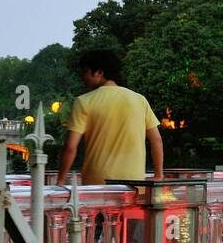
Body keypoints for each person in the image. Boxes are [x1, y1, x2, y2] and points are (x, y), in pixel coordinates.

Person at [57, 50, 163, 184]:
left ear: (99, 73)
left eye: (85, 71)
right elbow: (157, 140)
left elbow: (70, 146)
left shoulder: (83, 102)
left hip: (97, 183)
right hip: (134, 182)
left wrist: (60, 180)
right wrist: (159, 175)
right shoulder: (139, 100)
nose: (83, 77)